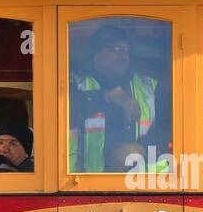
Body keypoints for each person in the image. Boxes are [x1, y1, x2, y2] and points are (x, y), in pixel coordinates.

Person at [70, 23, 163, 172]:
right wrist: (105, 97)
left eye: (126, 51)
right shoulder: (76, 83)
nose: (123, 56)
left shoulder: (148, 86)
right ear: (97, 52)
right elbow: (63, 112)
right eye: (116, 50)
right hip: (83, 185)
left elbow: (168, 128)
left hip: (140, 183)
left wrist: (139, 148)